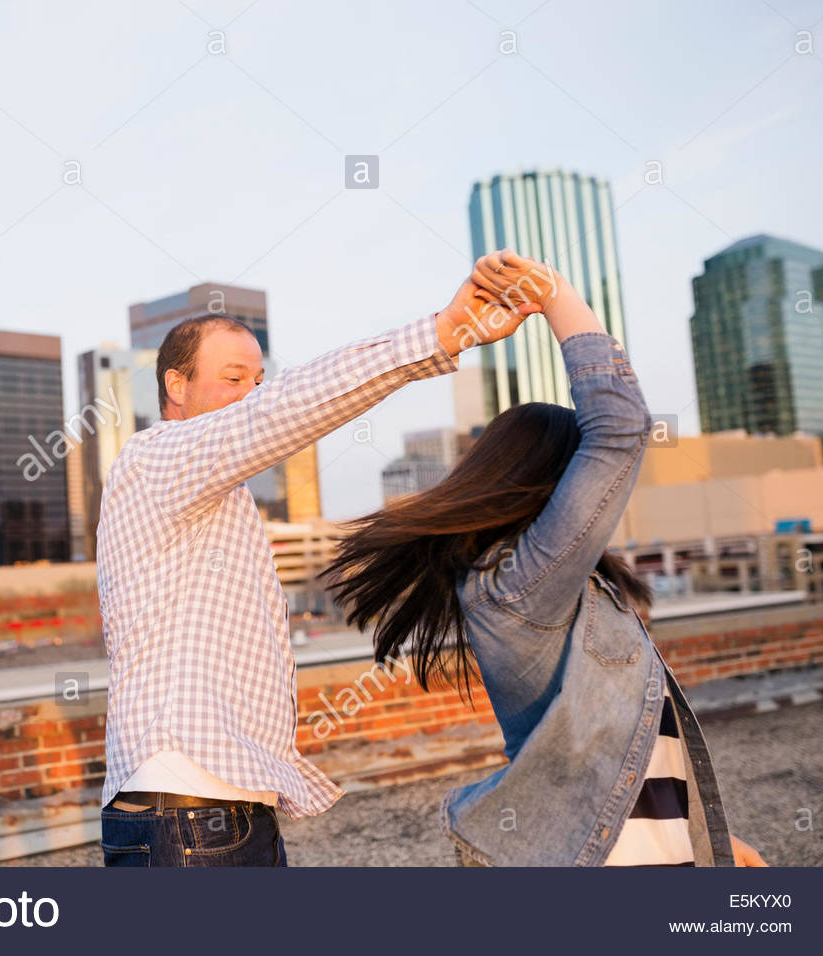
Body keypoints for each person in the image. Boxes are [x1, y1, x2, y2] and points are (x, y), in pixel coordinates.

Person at [323, 250, 769, 867]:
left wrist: (713, 844)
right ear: (550, 481)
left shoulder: (572, 591)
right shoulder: (516, 586)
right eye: (580, 475)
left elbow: (621, 752)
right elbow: (619, 426)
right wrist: (555, 293)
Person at [94, 259, 538, 866]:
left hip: (221, 815)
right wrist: (440, 334)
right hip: (190, 820)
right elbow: (282, 409)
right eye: (232, 378)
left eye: (257, 379)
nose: (251, 394)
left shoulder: (219, 493)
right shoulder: (156, 461)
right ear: (176, 385)